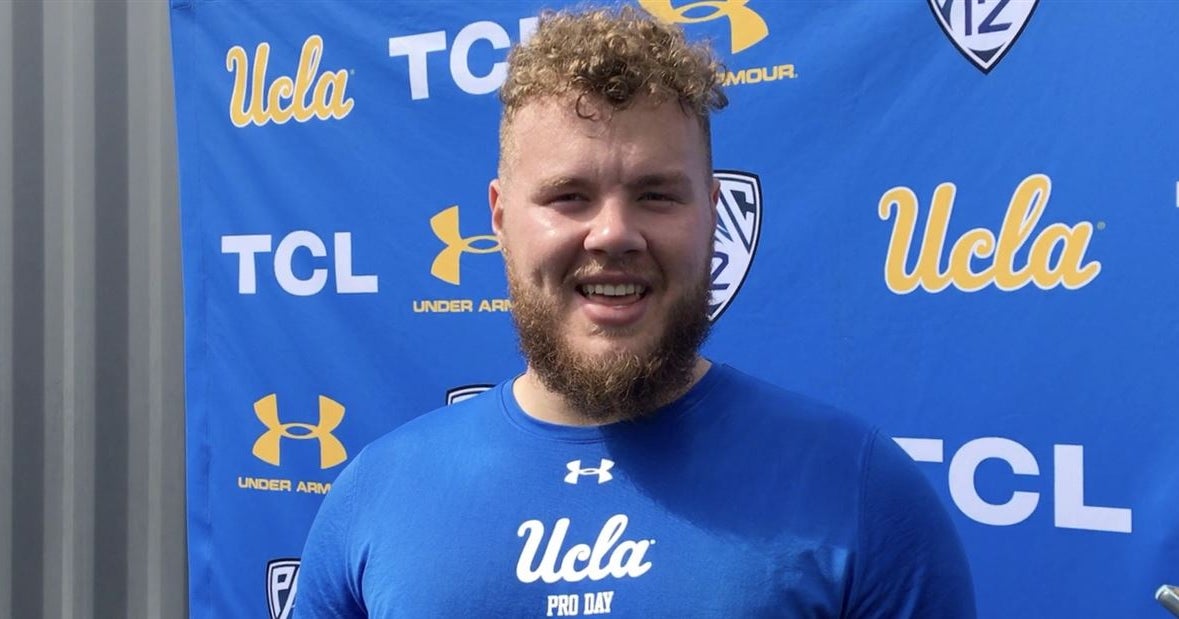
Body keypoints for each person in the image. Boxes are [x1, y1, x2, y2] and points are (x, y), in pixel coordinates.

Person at [296, 6, 976, 617]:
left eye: (656, 195)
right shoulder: (376, 495)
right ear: (499, 218)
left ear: (713, 214)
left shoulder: (857, 490)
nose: (614, 233)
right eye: (569, 196)